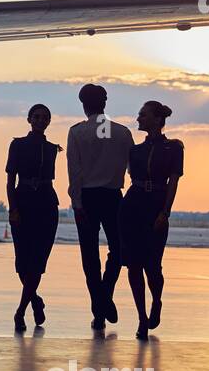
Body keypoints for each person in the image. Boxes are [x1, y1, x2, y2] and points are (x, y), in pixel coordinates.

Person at [66, 83, 133, 331]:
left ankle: (100, 304)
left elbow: (75, 171)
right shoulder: (123, 133)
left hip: (87, 198)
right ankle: (105, 295)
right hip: (114, 197)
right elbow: (132, 169)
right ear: (105, 103)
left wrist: (77, 203)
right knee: (118, 251)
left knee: (89, 256)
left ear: (84, 105)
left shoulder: (77, 133)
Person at [119, 101, 184, 340]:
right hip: (132, 206)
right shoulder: (135, 151)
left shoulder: (174, 148)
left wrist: (165, 212)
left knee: (153, 266)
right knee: (133, 265)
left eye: (143, 115)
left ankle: (156, 300)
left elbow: (173, 182)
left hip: (156, 205)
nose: (138, 119)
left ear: (157, 119)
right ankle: (141, 318)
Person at [6, 104, 62, 333]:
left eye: (45, 118)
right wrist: (13, 208)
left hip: (47, 205)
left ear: (49, 121)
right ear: (29, 119)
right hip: (24, 202)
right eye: (37, 117)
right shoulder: (17, 145)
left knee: (37, 263)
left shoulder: (52, 149)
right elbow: (10, 181)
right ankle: (35, 299)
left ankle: (20, 311)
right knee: (22, 263)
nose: (40, 120)